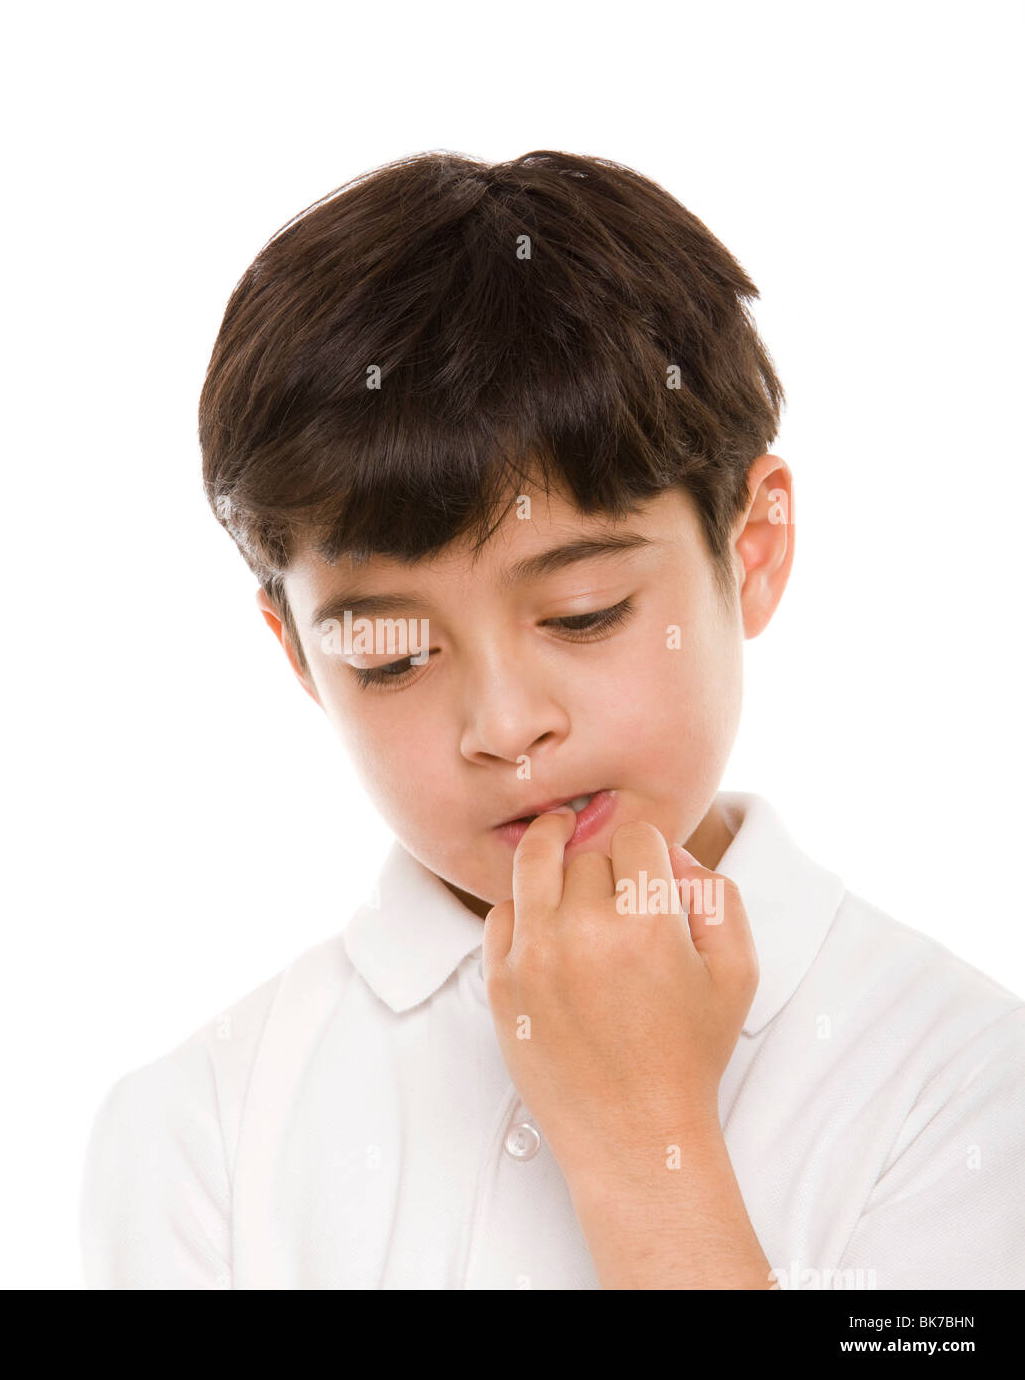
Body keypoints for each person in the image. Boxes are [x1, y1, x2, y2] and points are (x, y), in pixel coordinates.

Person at [79, 150, 1025, 1289]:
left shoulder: (968, 1091)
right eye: (394, 653)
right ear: (298, 654)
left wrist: (641, 1141)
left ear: (752, 547)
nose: (507, 724)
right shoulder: (200, 1132)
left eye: (582, 614)